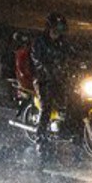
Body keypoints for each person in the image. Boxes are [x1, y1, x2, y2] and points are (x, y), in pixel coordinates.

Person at [29, 12, 72, 142]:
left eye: (59, 31)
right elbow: (36, 58)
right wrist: (46, 68)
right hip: (43, 78)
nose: (57, 34)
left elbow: (70, 54)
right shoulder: (39, 42)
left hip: (58, 76)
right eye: (55, 30)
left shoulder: (62, 43)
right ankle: (40, 134)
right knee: (46, 105)